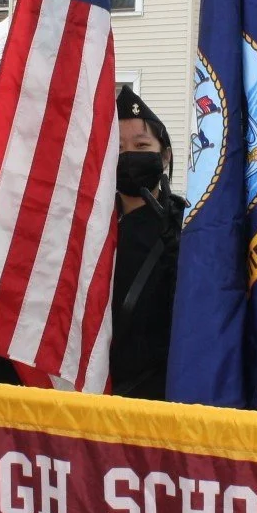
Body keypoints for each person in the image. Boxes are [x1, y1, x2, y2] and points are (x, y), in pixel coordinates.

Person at [109, 87, 184, 399]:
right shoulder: (90, 225)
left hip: (160, 393)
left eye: (141, 145)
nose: (128, 156)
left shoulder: (185, 225)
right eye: (118, 147)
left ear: (164, 155)